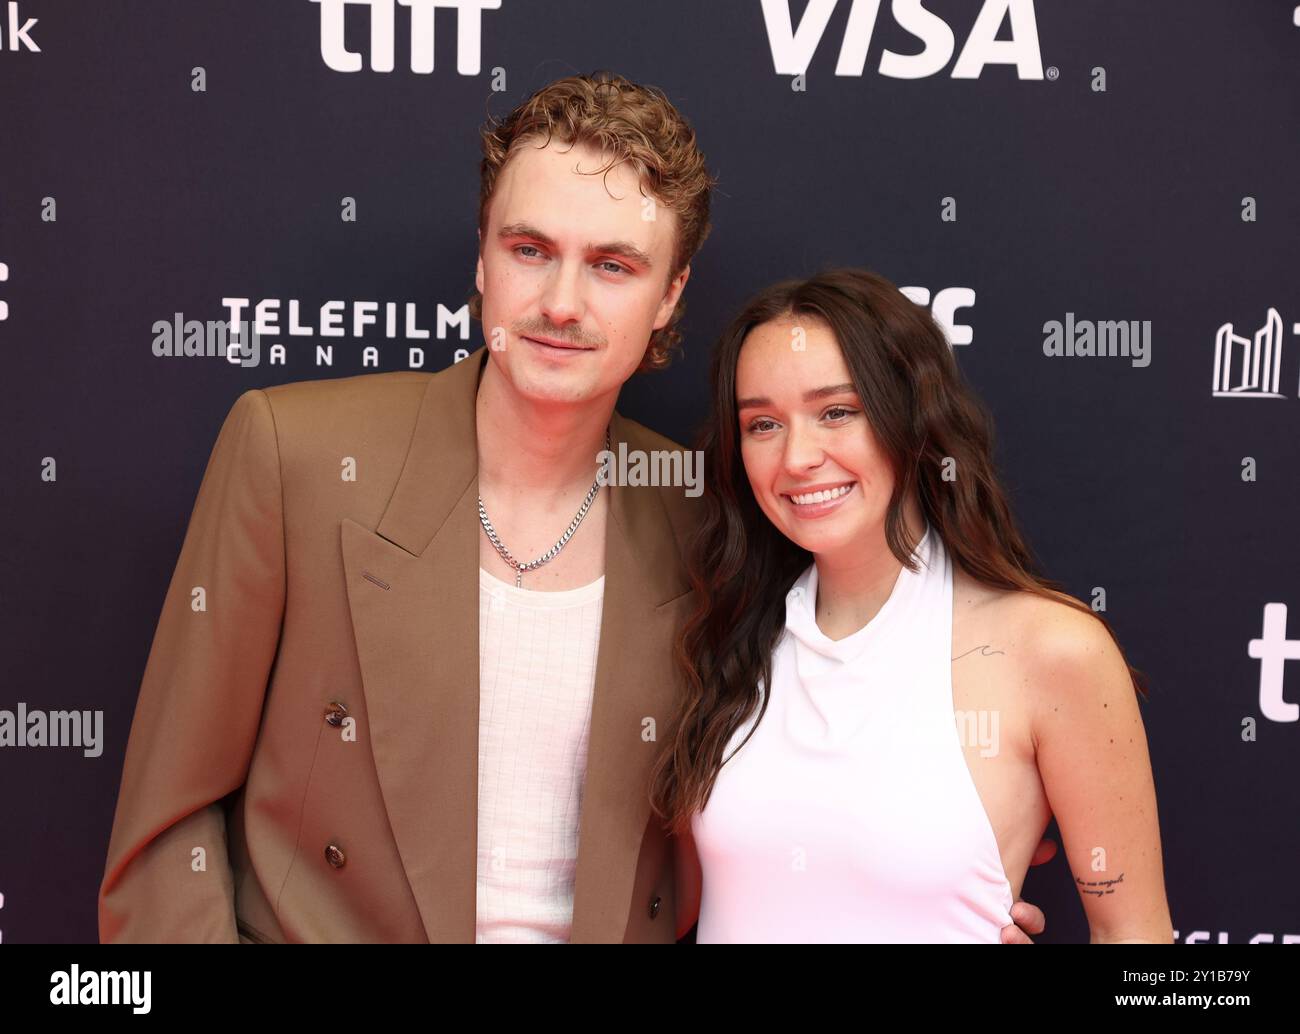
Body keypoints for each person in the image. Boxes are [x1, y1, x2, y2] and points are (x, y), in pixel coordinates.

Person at [99, 73, 1047, 943]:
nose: (560, 302)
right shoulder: (295, 455)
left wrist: (926, 909)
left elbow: (804, 796)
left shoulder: (708, 514)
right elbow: (167, 830)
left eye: (613, 266)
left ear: (670, 297)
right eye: (529, 250)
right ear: (482, 260)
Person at [652, 267, 1174, 943]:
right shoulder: (725, 639)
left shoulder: (1051, 652)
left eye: (837, 412)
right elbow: (670, 907)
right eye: (762, 424)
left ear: (913, 421)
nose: (797, 457)